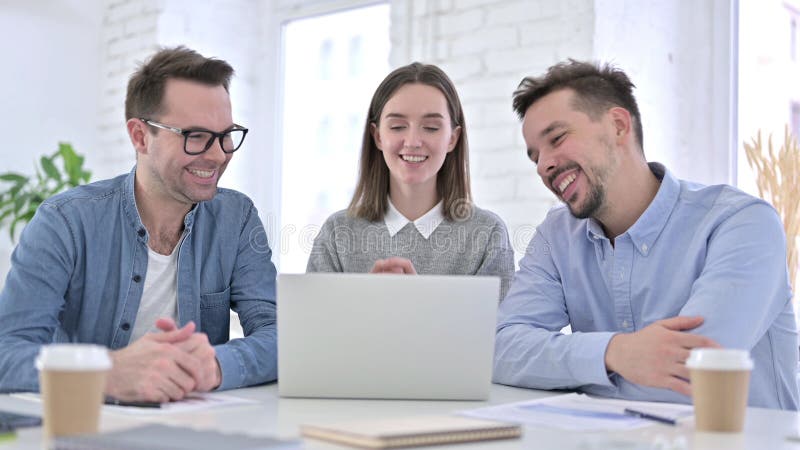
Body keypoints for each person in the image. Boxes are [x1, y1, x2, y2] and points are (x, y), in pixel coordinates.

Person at [493, 59, 799, 410]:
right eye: (534, 156)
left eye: (557, 138)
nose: (543, 165)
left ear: (618, 126)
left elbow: (692, 372)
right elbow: (501, 350)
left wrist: (561, 368)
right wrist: (615, 353)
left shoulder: (741, 223)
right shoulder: (556, 236)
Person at [0, 46, 278, 402]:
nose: (218, 154)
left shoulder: (236, 218)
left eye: (226, 135)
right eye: (196, 136)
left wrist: (215, 365)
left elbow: (280, 335)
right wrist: (108, 373)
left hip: (199, 423)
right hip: (87, 423)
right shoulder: (65, 221)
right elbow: (7, 354)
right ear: (140, 136)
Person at [306, 62, 514, 300]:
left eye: (431, 128)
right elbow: (313, 322)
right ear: (378, 136)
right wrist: (364, 302)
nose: (413, 141)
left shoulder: (487, 234)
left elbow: (500, 324)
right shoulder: (337, 233)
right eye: (397, 127)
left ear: (452, 139)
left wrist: (416, 303)